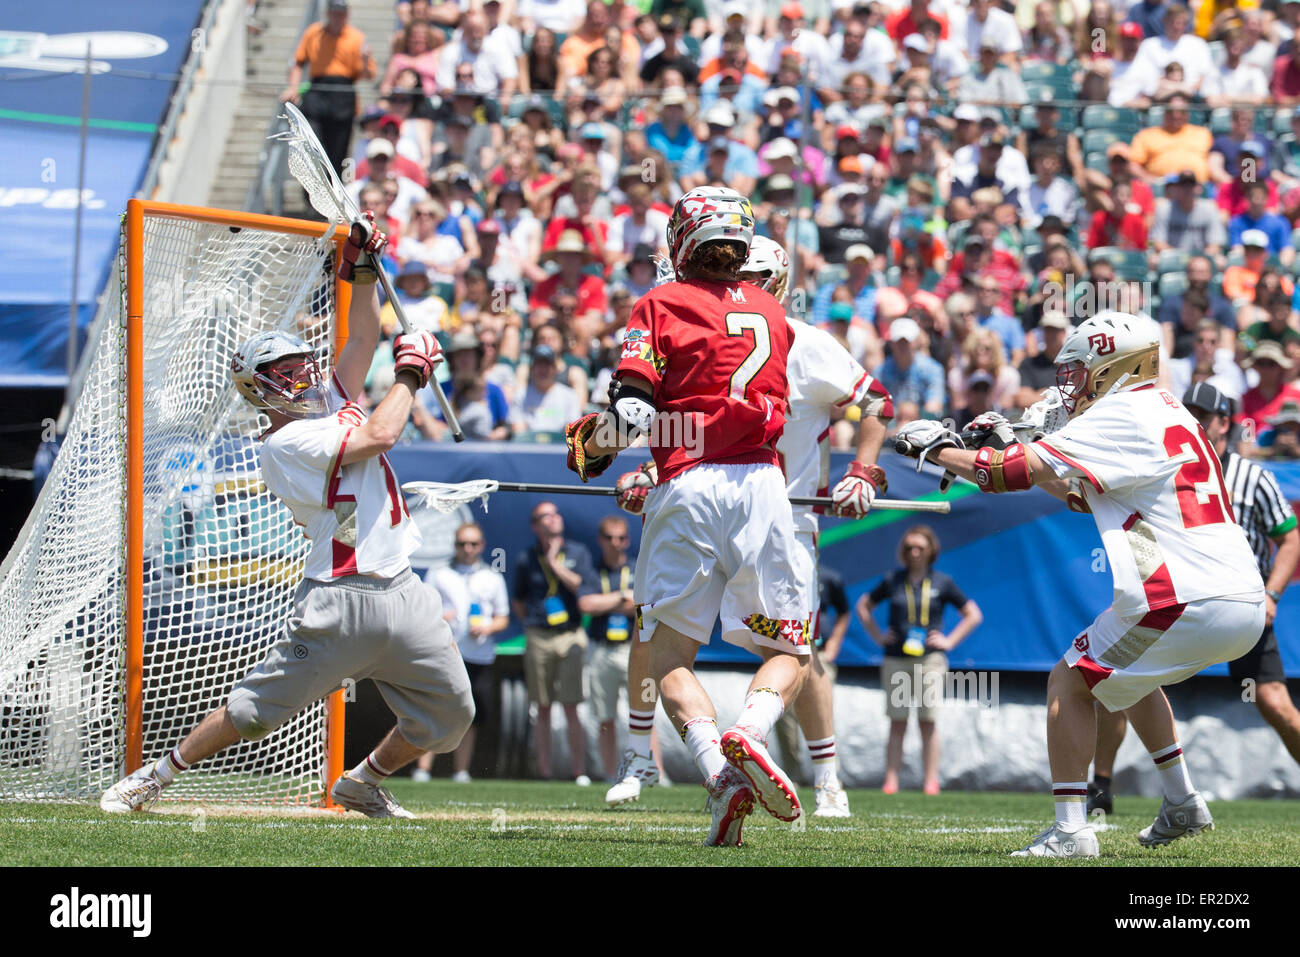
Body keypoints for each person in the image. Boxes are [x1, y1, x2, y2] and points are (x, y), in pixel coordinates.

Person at [101, 218, 472, 817]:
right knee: (251, 713)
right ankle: (158, 775)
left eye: (301, 362)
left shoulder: (325, 404)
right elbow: (381, 433)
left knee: (452, 717)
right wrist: (413, 373)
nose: (302, 373)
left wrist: (360, 269)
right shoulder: (283, 444)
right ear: (258, 389)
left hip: (403, 589)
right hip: (340, 600)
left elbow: (359, 340)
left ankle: (362, 781)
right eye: (285, 371)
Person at [894, 311, 1265, 857]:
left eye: (1082, 369)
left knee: (1069, 681)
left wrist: (936, 452)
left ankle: (1071, 830)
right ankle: (1182, 800)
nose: (1071, 383)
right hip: (1241, 600)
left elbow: (1004, 475)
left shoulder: (1120, 411)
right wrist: (1006, 448)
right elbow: (1081, 496)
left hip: (1186, 596)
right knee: (1129, 677)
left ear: (1115, 367)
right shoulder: (1169, 412)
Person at [607, 236, 894, 818]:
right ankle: (724, 740)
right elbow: (699, 414)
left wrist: (863, 470)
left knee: (676, 644)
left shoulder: (790, 338)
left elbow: (876, 404)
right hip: (762, 497)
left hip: (765, 508)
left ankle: (819, 775)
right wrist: (649, 469)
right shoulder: (767, 321)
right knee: (784, 647)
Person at [566, 187, 814, 845]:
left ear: (686, 240)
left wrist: (592, 444)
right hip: (762, 483)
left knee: (670, 658)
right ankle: (750, 734)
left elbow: (634, 412)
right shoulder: (771, 309)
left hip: (689, 483)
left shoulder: (662, 303)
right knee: (789, 650)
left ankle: (717, 769)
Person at [1088, 383, 1300, 815]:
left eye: (1206, 415)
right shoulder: (1162, 462)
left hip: (1236, 601)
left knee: (1272, 701)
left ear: (1226, 423)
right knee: (1114, 674)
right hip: (1175, 598)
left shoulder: (1251, 476)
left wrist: (1272, 593)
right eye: (1190, 413)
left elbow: (1289, 538)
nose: (1197, 422)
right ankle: (1101, 785)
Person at [856, 526, 982, 794]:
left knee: (928, 720)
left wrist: (948, 641)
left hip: (930, 660)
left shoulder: (942, 582)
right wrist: (878, 635)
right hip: (897, 659)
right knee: (898, 720)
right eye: (910, 547)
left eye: (920, 548)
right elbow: (863, 605)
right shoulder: (893, 580)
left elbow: (973, 614)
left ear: (930, 551)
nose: (915, 553)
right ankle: (891, 781)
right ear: (903, 551)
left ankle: (930, 782)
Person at [419, 522, 511, 783]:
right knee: (435, 709)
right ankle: (423, 769)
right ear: (455, 545)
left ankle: (460, 771)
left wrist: (486, 627)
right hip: (445, 653)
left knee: (471, 715)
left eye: (472, 544)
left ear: (481, 546)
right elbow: (424, 610)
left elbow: (503, 618)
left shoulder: (492, 577)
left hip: (479, 656)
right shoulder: (439, 573)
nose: (467, 549)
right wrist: (441, 615)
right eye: (462, 544)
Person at [512, 502, 596, 785]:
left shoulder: (577, 552)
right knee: (542, 706)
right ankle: (544, 772)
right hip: (539, 635)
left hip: (571, 634)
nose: (554, 518)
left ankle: (578, 771)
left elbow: (584, 588)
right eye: (546, 516)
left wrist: (554, 565)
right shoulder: (526, 557)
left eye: (556, 513)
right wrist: (534, 622)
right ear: (535, 525)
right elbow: (518, 600)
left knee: (572, 705)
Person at [578, 515, 641, 783]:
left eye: (620, 538)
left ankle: (652, 772)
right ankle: (609, 773)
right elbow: (587, 605)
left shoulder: (639, 567)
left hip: (632, 648)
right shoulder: (592, 571)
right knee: (605, 716)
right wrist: (622, 596)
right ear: (600, 540)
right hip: (601, 649)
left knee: (642, 713)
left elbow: (645, 604)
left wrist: (615, 602)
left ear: (627, 541)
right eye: (609, 538)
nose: (615, 543)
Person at [282, 0, 377, 177]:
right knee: (311, 143)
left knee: (338, 151)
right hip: (318, 89)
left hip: (343, 93)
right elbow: (298, 62)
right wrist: (293, 88)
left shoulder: (356, 37)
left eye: (341, 14)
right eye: (334, 13)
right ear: (328, 13)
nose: (337, 18)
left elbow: (369, 74)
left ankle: (335, 191)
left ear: (346, 15)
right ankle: (311, 193)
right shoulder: (314, 33)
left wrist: (365, 59)